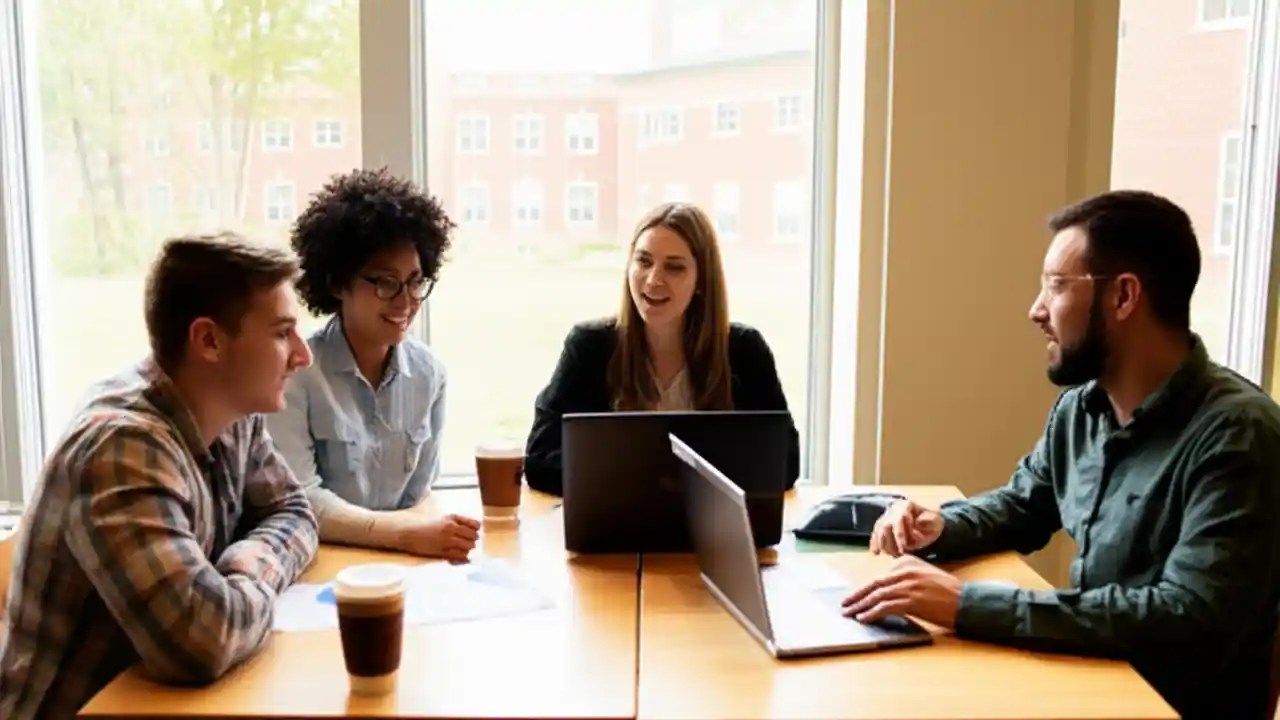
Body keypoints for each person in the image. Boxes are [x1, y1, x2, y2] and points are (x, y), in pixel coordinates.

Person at [841, 190, 1280, 720]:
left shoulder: (1240, 435)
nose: (1037, 310)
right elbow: (1024, 504)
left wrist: (965, 604)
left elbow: (1185, 618)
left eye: (1056, 285)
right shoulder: (1081, 409)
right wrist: (939, 526)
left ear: (1123, 297)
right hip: (1091, 684)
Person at [0, 234, 320, 719]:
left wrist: (244, 565)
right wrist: (252, 577)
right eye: (282, 333)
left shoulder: (232, 411)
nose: (303, 355)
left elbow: (294, 512)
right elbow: (204, 641)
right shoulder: (121, 450)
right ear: (209, 341)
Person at [266, 168, 479, 562]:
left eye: (415, 282)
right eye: (385, 283)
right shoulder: (296, 376)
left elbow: (418, 495)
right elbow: (300, 499)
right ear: (337, 283)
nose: (406, 301)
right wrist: (403, 535)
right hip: (322, 565)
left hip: (402, 566)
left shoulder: (430, 376)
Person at [525, 202, 800, 495]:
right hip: (619, 519)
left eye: (674, 267)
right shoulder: (590, 348)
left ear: (701, 281)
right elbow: (540, 458)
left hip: (709, 521)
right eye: (644, 261)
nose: (654, 279)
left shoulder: (745, 352)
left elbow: (785, 462)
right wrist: (649, 479)